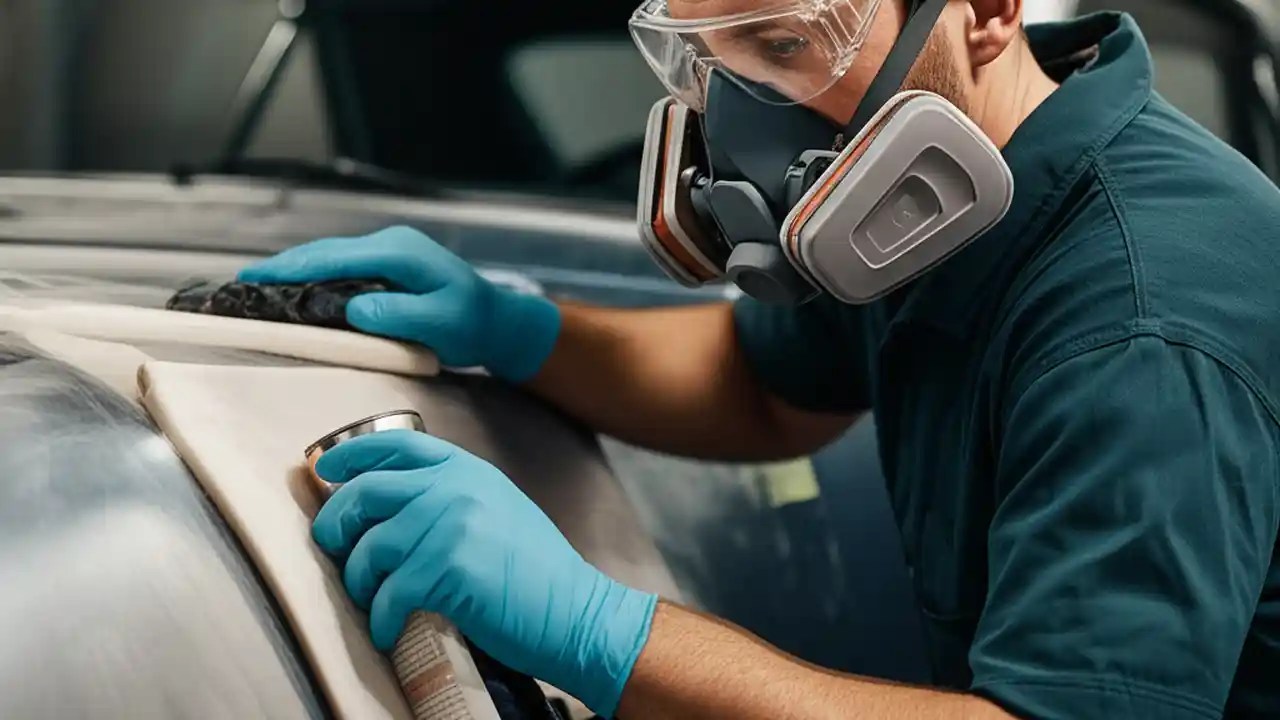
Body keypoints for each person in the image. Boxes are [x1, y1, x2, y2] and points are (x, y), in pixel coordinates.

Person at [240, 1, 1280, 718]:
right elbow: (762, 386)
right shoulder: (954, 200)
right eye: (707, 60)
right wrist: (519, 332)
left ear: (990, 11)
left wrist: (602, 633)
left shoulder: (1140, 326)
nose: (740, 120)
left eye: (785, 45)